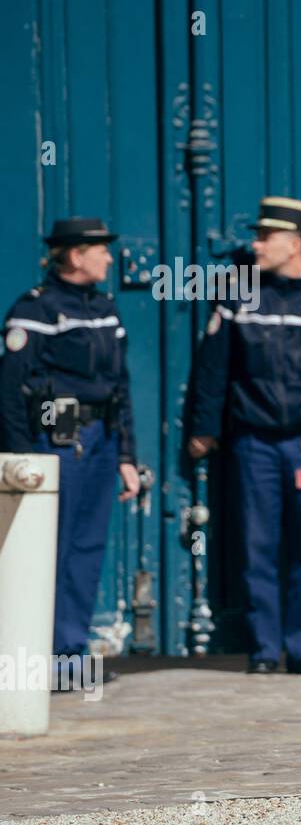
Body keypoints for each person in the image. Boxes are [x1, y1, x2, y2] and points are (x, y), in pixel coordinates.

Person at [187, 197, 301, 676]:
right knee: (257, 546)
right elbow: (212, 371)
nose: (256, 244)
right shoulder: (238, 296)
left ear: (295, 243)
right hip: (254, 444)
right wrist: (204, 429)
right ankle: (264, 650)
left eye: (266, 237)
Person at [0, 217, 140, 688]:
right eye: (100, 249)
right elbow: (10, 390)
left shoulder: (104, 306)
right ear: (76, 255)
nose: (108, 257)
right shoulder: (36, 309)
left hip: (99, 441)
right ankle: (36, 658)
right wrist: (22, 458)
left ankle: (69, 653)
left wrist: (125, 456)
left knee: (86, 548)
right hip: (55, 441)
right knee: (48, 552)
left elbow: (120, 388)